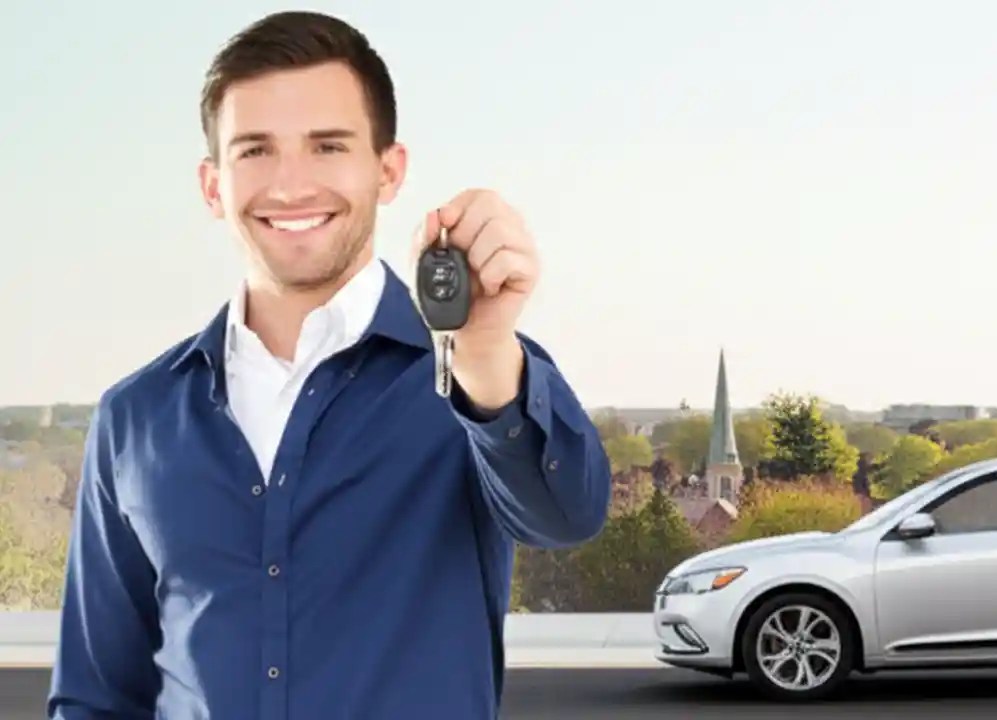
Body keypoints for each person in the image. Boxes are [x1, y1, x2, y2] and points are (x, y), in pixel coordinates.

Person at [47, 10, 611, 720]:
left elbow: (566, 516)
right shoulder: (135, 418)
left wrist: (487, 350)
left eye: (327, 146)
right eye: (255, 150)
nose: (290, 185)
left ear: (388, 169)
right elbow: (98, 695)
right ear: (212, 185)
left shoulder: (474, 374)